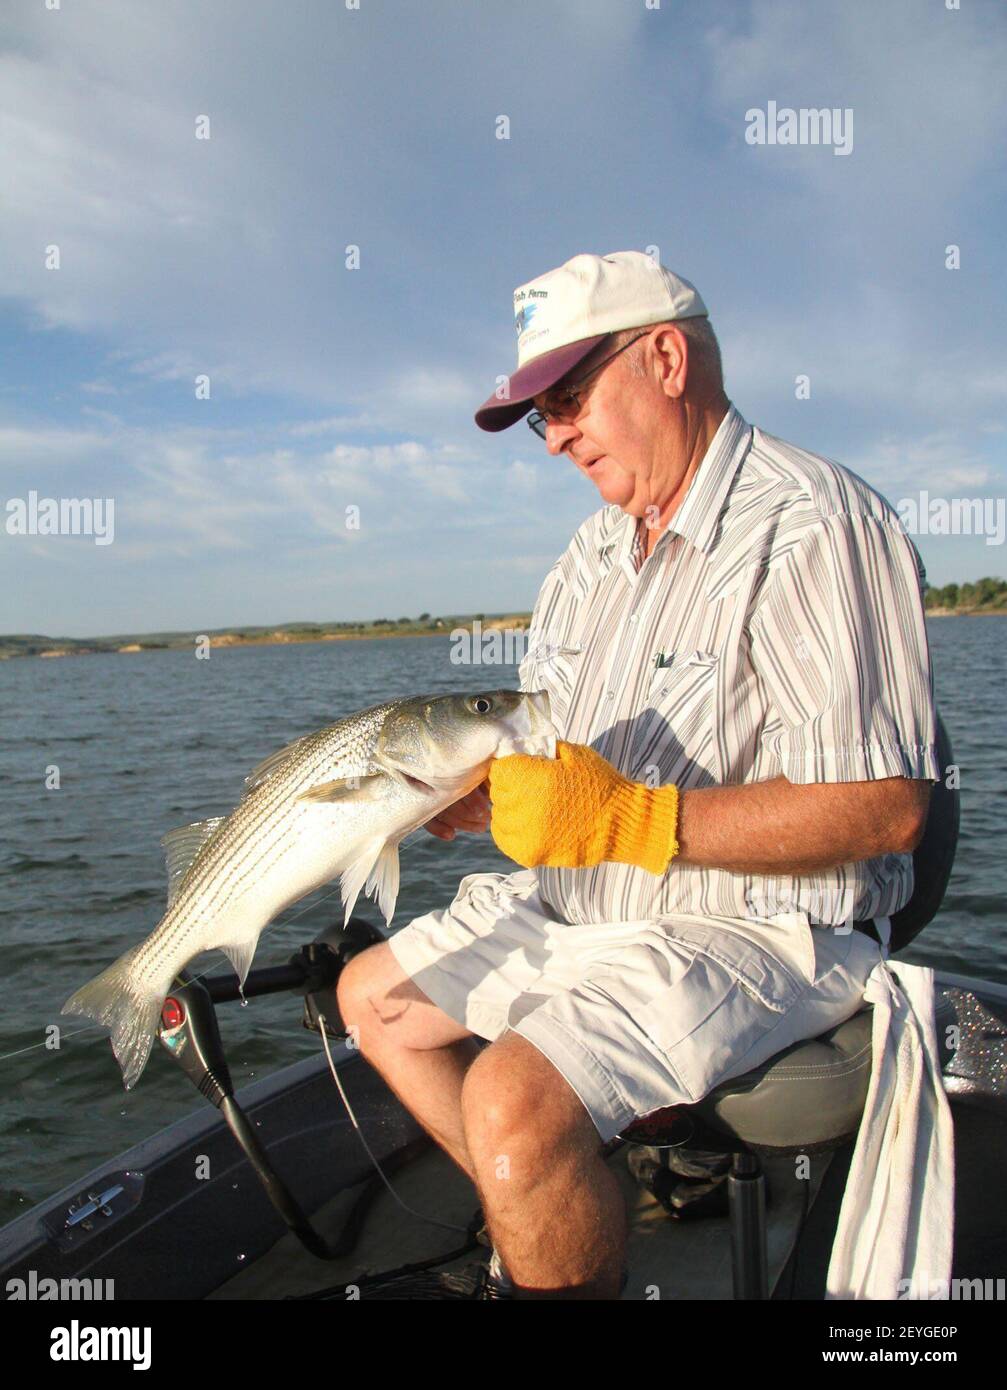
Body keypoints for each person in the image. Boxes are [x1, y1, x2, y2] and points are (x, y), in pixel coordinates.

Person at [336, 250, 939, 1299]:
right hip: (586, 904)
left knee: (510, 1104)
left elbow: (885, 808)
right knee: (370, 996)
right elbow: (565, 777)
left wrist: (628, 821)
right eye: (539, 417)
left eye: (566, 396)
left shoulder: (816, 524)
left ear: (663, 357)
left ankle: (544, 1209)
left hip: (760, 926)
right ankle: (551, 1219)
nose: (556, 434)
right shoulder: (582, 562)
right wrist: (493, 803)